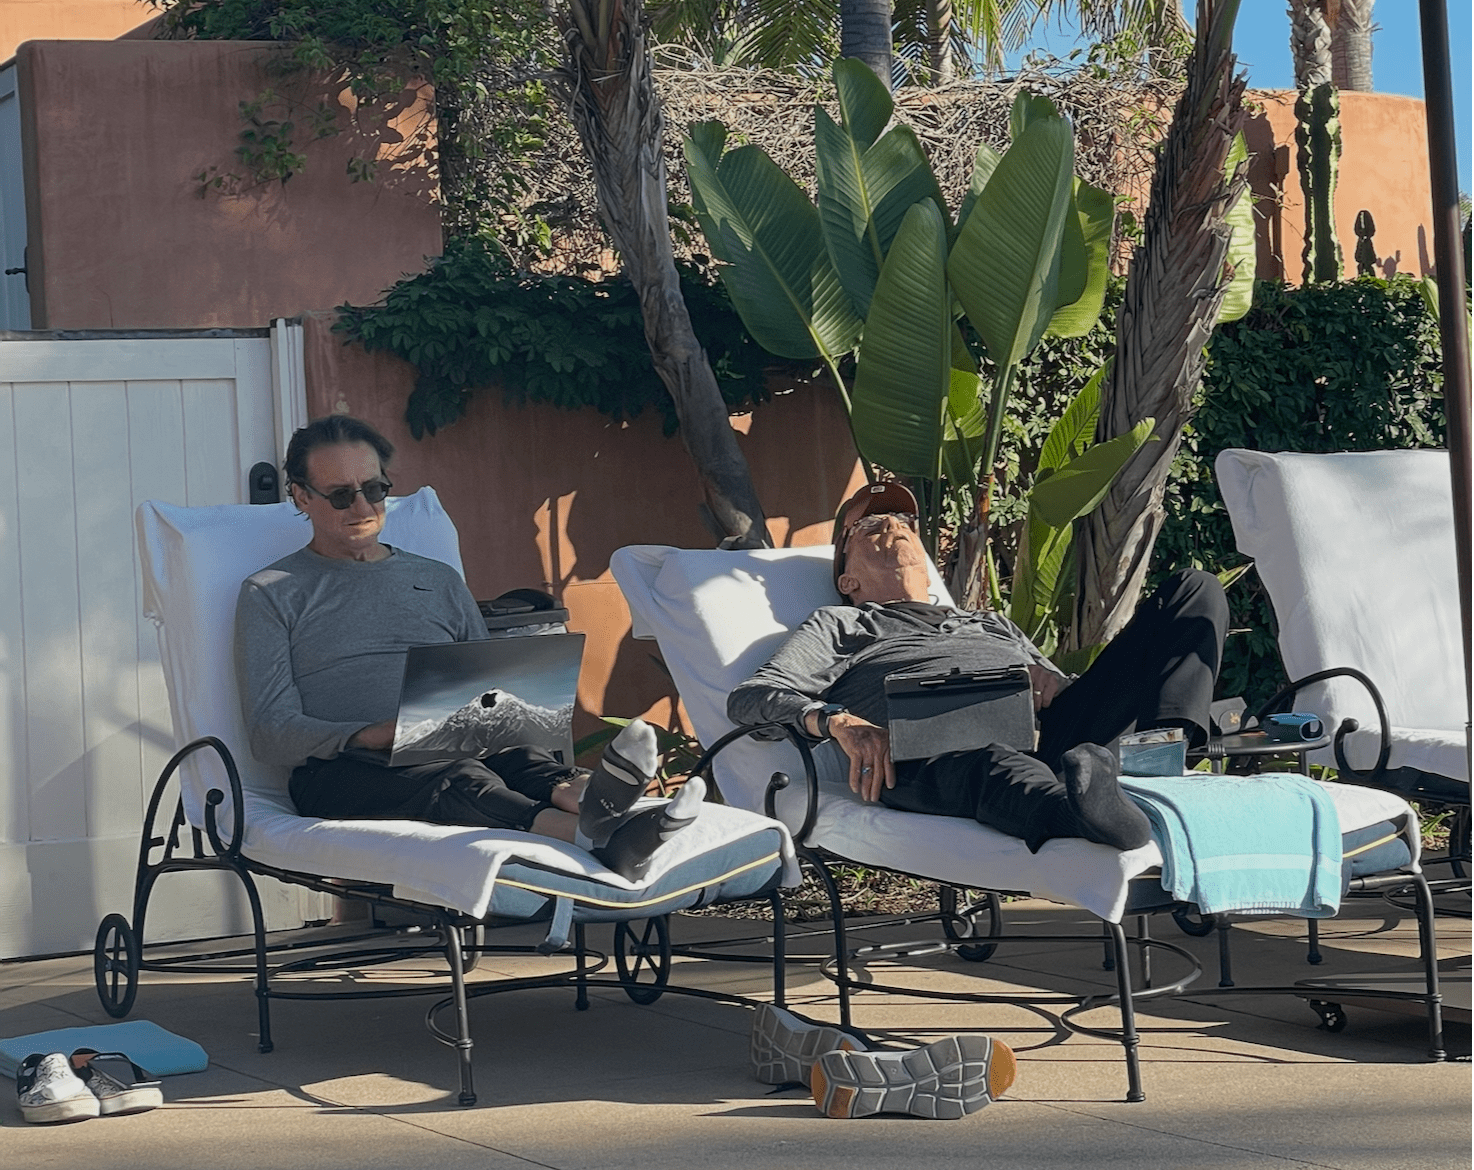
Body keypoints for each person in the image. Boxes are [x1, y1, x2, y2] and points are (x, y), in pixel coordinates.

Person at [234, 415, 703, 881]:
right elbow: (271, 733)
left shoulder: (436, 579)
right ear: (300, 496)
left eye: (374, 489)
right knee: (458, 777)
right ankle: (592, 836)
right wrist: (370, 734)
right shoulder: (274, 592)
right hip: (343, 770)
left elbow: (489, 686)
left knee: (518, 755)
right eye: (340, 495)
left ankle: (590, 797)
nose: (361, 506)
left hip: (451, 742)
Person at [727, 481, 1230, 853]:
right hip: (930, 753)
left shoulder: (990, 623)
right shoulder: (842, 624)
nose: (892, 525)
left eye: (904, 524)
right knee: (990, 760)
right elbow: (751, 698)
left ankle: (1166, 752)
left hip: (1046, 734)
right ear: (847, 580)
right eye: (868, 527)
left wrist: (1055, 682)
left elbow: (1067, 692)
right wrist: (838, 720)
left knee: (1194, 589)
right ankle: (1087, 816)